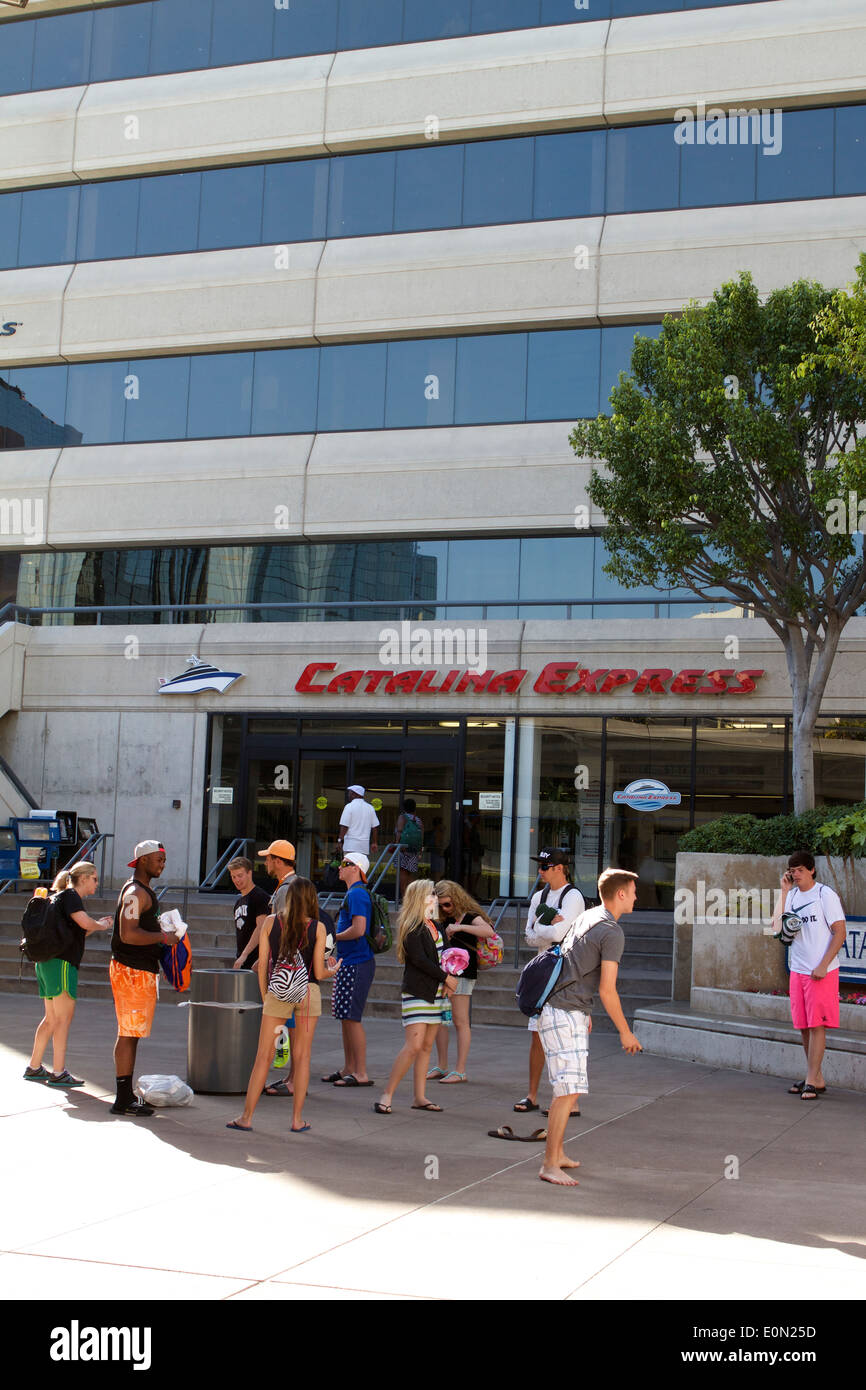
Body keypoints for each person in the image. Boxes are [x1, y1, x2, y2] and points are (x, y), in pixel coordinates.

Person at [537, 868, 643, 1187]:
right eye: (633, 891)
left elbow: (575, 963)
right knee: (567, 1090)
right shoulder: (611, 931)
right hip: (564, 1012)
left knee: (569, 1088)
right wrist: (625, 1031)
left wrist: (584, 1010)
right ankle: (547, 1164)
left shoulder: (589, 916)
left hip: (565, 1009)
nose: (637, 897)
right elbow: (608, 989)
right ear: (620, 894)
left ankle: (557, 1155)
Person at [227, 877, 340, 1134]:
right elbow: (320, 974)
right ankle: (297, 1120)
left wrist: (266, 995)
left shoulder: (270, 922)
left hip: (277, 992)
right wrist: (334, 970)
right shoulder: (318, 928)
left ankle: (246, 1117)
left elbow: (263, 965)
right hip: (308, 993)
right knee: (302, 1058)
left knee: (263, 1057)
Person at [23, 862, 113, 1087]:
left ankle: (34, 1067)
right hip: (62, 964)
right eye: (94, 878)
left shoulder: (60, 897)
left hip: (46, 962)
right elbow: (84, 923)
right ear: (83, 878)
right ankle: (58, 1071)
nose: (96, 883)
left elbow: (78, 930)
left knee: (52, 1019)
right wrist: (101, 926)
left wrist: (97, 925)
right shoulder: (72, 896)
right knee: (63, 1020)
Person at [374, 880, 458, 1115]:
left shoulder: (436, 926)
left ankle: (419, 1096)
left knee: (426, 1046)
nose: (435, 897)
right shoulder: (413, 928)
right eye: (430, 894)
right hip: (418, 992)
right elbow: (420, 960)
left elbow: (447, 955)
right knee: (413, 1046)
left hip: (437, 994)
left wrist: (451, 975)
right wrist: (446, 977)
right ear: (419, 898)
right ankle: (387, 1093)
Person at [513, 848, 585, 1117]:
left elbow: (559, 933)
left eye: (545, 865)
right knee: (537, 1036)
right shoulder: (539, 896)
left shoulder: (573, 896)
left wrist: (542, 928)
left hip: (565, 971)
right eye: (540, 865)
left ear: (560, 868)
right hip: (543, 969)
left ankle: (568, 1100)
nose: (540, 870)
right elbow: (530, 936)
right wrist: (547, 925)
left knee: (565, 1037)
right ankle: (532, 1095)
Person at [109, 839, 176, 1117]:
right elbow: (128, 933)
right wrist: (163, 937)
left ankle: (125, 1095)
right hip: (131, 972)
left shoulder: (141, 891)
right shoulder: (135, 893)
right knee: (128, 1033)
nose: (162, 863)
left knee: (132, 1033)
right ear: (144, 860)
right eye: (159, 859)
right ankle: (122, 1099)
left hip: (139, 970)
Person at [772, 849, 846, 1101]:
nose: (796, 875)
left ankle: (812, 1079)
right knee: (804, 1026)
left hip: (821, 971)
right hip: (799, 968)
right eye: (792, 871)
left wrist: (824, 964)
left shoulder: (825, 895)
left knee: (817, 1024)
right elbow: (775, 927)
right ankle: (816, 1077)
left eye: (800, 870)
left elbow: (840, 932)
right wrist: (783, 891)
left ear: (812, 869)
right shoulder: (791, 895)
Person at [427, 879, 495, 1084]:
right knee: (440, 1021)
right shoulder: (441, 917)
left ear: (457, 899)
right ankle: (442, 1065)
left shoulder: (470, 916)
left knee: (460, 1021)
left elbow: (489, 931)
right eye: (441, 905)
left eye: (448, 904)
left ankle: (460, 1070)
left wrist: (460, 927)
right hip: (443, 974)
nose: (445, 909)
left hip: (463, 974)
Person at [324, 851, 376, 1087]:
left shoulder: (357, 894)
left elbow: (359, 929)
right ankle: (350, 1068)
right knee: (345, 1017)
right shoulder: (353, 893)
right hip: (350, 961)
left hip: (357, 962)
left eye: (345, 864)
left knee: (352, 1018)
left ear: (356, 868)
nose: (339, 868)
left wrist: (333, 938)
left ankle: (361, 1072)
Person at [230, 856, 271, 970]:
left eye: (240, 875)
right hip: (243, 962)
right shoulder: (238, 902)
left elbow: (261, 928)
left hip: (257, 962)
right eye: (233, 876)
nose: (237, 880)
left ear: (249, 873)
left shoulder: (260, 896)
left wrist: (244, 954)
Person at [338, 785, 379, 860]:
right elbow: (375, 827)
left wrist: (340, 840)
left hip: (350, 846)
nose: (348, 795)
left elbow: (344, 826)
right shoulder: (370, 808)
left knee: (348, 869)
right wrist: (374, 842)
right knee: (360, 869)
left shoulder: (349, 806)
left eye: (350, 793)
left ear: (355, 794)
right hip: (363, 847)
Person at [395, 797, 424, 899]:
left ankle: (404, 897)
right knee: (410, 873)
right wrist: (420, 850)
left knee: (403, 872)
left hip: (403, 849)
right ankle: (411, 898)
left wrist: (396, 845)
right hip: (414, 850)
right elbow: (421, 836)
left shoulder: (402, 817)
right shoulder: (418, 820)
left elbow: (399, 831)